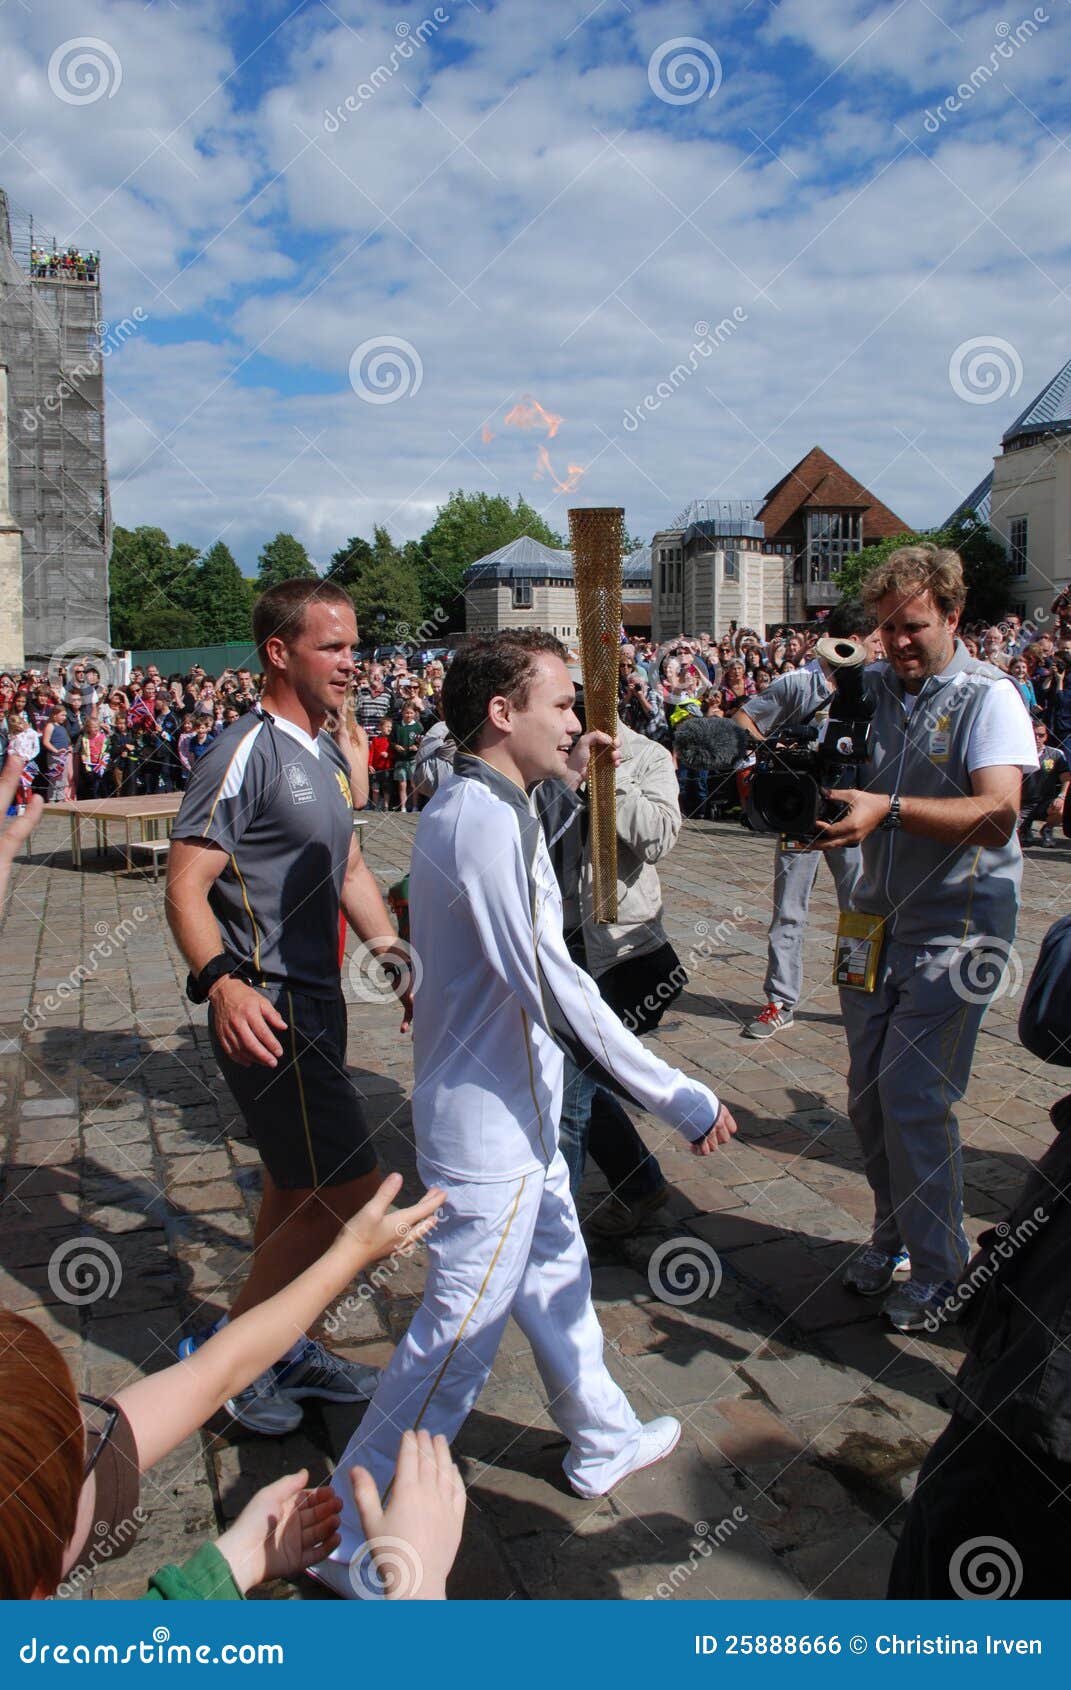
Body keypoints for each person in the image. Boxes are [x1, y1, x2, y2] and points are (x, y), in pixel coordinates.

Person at [316, 631, 739, 1598]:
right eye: (561, 705)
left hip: (520, 1114)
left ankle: (599, 1435)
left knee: (556, 1273)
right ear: (501, 715)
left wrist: (569, 767)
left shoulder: (491, 799)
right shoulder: (476, 819)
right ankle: (350, 1530)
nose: (580, 723)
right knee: (454, 1340)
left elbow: (533, 887)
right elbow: (551, 981)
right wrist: (678, 1094)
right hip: (491, 1131)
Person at [165, 578, 414, 1434]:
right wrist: (221, 982)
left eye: (355, 646)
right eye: (333, 647)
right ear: (278, 652)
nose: (354, 662)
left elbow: (346, 869)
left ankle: (277, 1346)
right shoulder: (245, 751)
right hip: (266, 1009)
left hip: (318, 1003)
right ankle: (237, 1364)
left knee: (293, 1190)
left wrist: (394, 956)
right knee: (347, 1196)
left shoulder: (323, 752)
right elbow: (184, 888)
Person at [0, 1175, 445, 1600]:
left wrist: (236, 1561)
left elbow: (217, 1373)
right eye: (79, 1447)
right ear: (39, 1578)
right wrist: (419, 1593)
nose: (95, 1437)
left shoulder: (34, 1496)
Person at [813, 545, 1037, 1330]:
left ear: (949, 615)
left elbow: (999, 813)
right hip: (871, 919)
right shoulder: (868, 686)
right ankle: (892, 1238)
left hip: (959, 928)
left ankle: (944, 1272)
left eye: (912, 627)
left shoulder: (989, 697)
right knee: (867, 1097)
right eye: (885, 629)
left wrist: (888, 809)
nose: (898, 643)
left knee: (914, 1097)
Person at [735, 601, 878, 1041]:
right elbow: (744, 719)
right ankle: (780, 1001)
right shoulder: (799, 684)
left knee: (859, 912)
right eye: (875, 641)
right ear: (852, 642)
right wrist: (780, 755)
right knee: (789, 911)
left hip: (855, 809)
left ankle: (860, 1001)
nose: (881, 648)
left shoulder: (878, 685)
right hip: (801, 811)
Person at [1017, 717, 1069, 847]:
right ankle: (1024, 829)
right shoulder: (1018, 754)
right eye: (1034, 735)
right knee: (1010, 834)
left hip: (1045, 802)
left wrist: (1061, 796)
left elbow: (1066, 778)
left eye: (1041, 735)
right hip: (1021, 803)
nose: (1037, 738)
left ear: (1046, 737)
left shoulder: (1056, 754)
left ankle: (1047, 829)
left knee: (1061, 809)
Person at [368, 713, 394, 810]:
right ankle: (375, 805)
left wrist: (389, 755)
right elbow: (371, 753)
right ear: (381, 727)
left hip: (387, 769)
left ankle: (386, 805)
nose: (389, 728)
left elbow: (395, 754)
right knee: (375, 789)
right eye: (387, 726)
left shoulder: (391, 740)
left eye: (390, 727)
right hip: (376, 769)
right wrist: (369, 765)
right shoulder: (375, 740)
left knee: (386, 789)